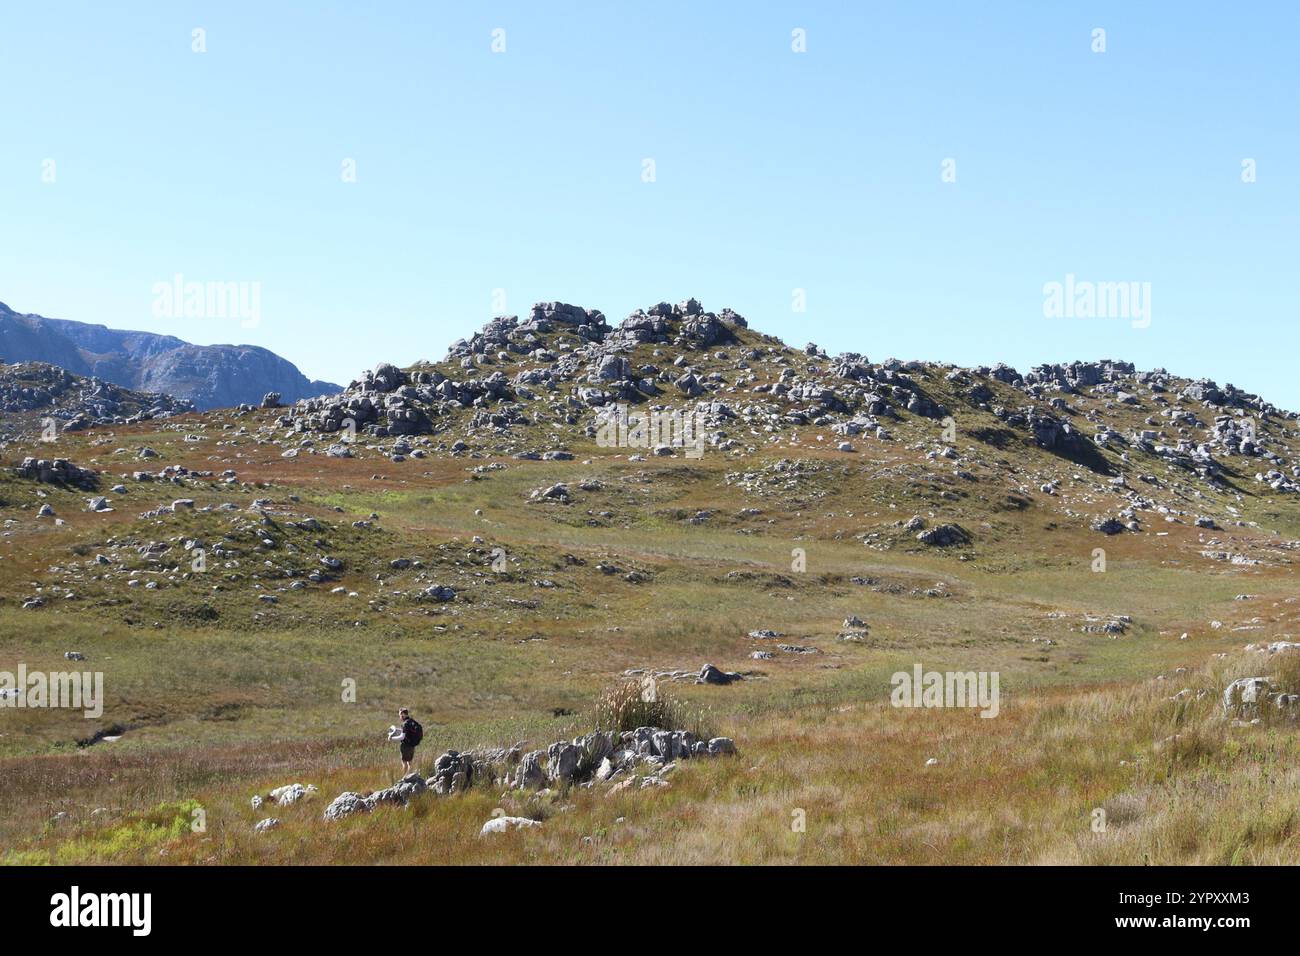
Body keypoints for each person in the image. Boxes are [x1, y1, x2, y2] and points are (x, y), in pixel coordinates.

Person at [393, 707, 422, 774]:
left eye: (400, 715)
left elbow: (402, 737)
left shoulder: (405, 724)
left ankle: (403, 778)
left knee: (404, 763)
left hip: (405, 746)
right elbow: (408, 732)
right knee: (410, 763)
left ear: (402, 714)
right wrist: (398, 730)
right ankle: (410, 776)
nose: (400, 717)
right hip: (412, 745)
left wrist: (392, 739)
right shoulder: (412, 721)